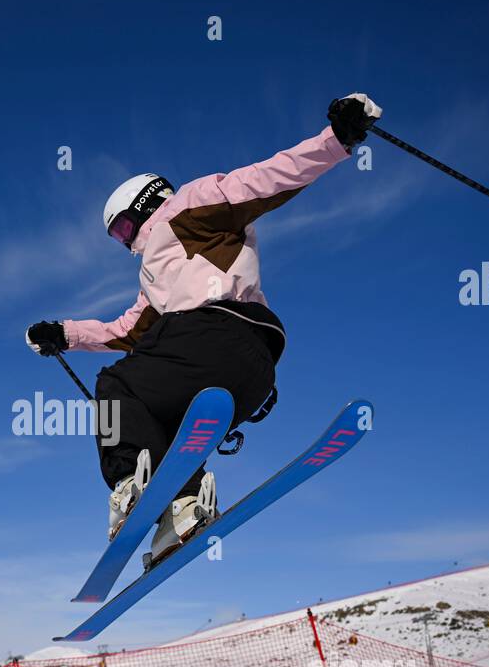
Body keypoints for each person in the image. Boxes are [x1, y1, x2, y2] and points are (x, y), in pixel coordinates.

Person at [27, 94, 382, 563]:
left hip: (212, 335)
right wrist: (66, 334)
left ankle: (128, 481)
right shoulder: (155, 281)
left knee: (114, 386)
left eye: (122, 228)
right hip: (253, 373)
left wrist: (335, 139)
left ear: (145, 204)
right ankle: (183, 510)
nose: (125, 241)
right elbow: (126, 331)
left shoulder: (187, 207)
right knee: (156, 417)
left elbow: (265, 179)